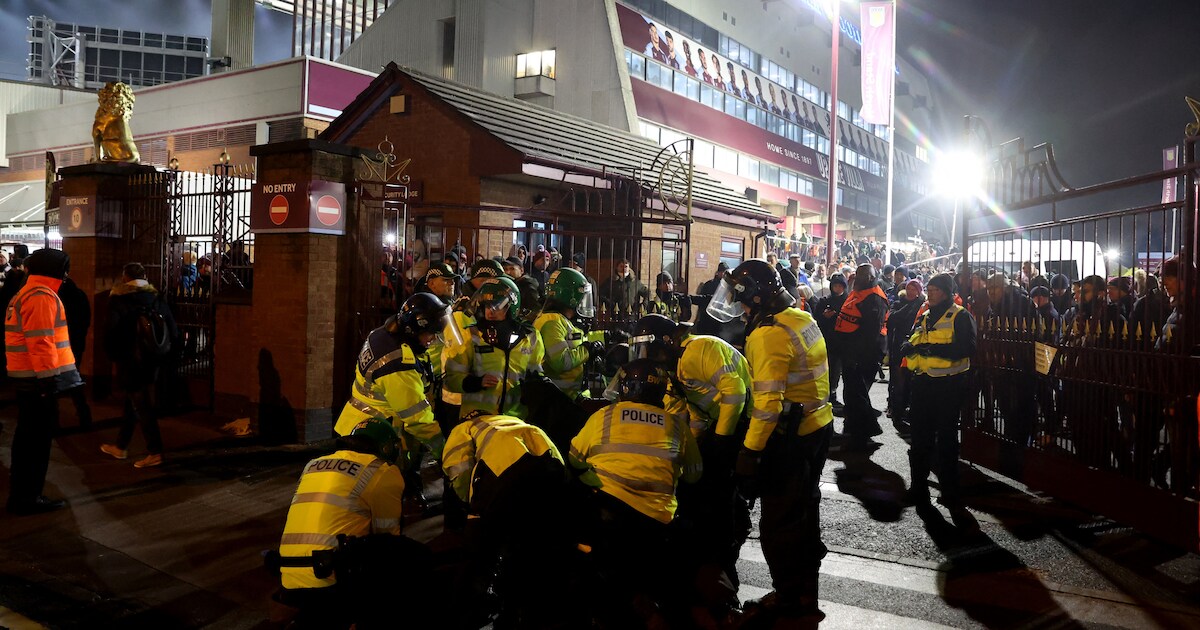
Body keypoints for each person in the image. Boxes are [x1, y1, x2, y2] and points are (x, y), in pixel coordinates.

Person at [705, 259, 834, 623]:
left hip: (791, 439)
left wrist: (750, 450)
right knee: (805, 516)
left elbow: (767, 404)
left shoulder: (768, 334)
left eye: (742, 299)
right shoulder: (799, 318)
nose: (740, 306)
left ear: (758, 298)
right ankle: (806, 592)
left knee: (779, 523)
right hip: (817, 425)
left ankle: (790, 598)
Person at [630, 314, 751, 621]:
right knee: (700, 491)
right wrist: (684, 448)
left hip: (741, 422)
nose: (644, 356)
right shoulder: (674, 366)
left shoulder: (700, 350)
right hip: (718, 424)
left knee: (720, 496)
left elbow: (735, 393)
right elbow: (684, 411)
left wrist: (721, 440)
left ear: (665, 342)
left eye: (647, 348)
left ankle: (724, 571)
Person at [570, 359, 702, 626]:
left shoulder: (604, 416)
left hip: (608, 517)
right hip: (658, 522)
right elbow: (694, 474)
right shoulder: (677, 425)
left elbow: (574, 460)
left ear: (627, 387)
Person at [275, 418, 425, 629]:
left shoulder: (313, 464)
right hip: (331, 578)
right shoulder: (383, 471)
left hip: (289, 574)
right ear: (386, 446)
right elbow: (388, 536)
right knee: (404, 557)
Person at [442, 412, 572, 628]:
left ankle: (470, 611)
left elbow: (459, 470)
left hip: (505, 469)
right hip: (551, 464)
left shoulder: (462, 429)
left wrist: (471, 507)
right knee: (540, 542)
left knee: (480, 550)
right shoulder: (515, 422)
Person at [333, 293, 454, 468]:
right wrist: (446, 453)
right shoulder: (397, 365)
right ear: (413, 330)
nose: (433, 339)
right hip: (376, 438)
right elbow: (418, 420)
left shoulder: (384, 334)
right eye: (430, 334)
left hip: (357, 424)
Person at [4, 249, 81, 514]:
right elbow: (41, 342)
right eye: (64, 268)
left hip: (28, 378)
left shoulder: (27, 292)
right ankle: (27, 497)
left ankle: (22, 495)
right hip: (38, 381)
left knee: (27, 439)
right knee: (35, 443)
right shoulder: (41, 296)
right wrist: (48, 383)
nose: (67, 274)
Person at [900, 273, 977, 530]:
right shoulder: (925, 315)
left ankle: (951, 493)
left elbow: (967, 349)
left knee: (946, 441)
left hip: (949, 387)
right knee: (919, 439)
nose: (929, 293)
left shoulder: (960, 316)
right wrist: (908, 345)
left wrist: (933, 351)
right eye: (929, 289)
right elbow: (916, 338)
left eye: (934, 289)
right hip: (923, 385)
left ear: (945, 292)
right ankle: (918, 488)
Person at [99, 263, 178, 469]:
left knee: (141, 403)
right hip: (153, 358)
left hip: (129, 359)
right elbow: (172, 329)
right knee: (133, 399)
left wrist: (112, 355)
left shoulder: (118, 299)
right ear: (144, 277)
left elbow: (110, 332)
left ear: (125, 277)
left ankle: (155, 451)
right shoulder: (156, 298)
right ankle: (121, 446)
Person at [444, 277, 546, 419]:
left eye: (497, 306)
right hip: (477, 419)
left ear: (511, 307)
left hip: (516, 420)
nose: (490, 312)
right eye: (487, 306)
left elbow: (537, 374)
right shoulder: (472, 336)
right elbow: (450, 379)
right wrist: (475, 383)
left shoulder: (530, 337)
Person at [534, 268, 608, 400]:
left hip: (571, 397)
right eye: (582, 296)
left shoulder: (560, 320)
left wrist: (605, 337)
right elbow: (561, 362)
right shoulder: (552, 323)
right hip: (559, 399)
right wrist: (588, 350)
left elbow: (578, 339)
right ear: (570, 296)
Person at [834, 264, 888, 444]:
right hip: (851, 350)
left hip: (864, 354)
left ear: (871, 278)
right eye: (857, 274)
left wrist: (857, 356)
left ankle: (865, 429)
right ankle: (853, 425)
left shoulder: (875, 299)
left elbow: (870, 334)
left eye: (862, 276)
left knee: (857, 391)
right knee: (851, 390)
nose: (857, 278)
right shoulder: (859, 291)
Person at [886, 279, 925, 425]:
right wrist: (910, 305)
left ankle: (907, 409)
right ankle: (896, 409)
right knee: (898, 379)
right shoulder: (898, 303)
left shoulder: (922, 306)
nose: (910, 292)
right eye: (909, 289)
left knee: (911, 380)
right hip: (898, 345)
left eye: (914, 289)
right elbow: (892, 319)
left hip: (913, 345)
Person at [57, 272, 93, 430]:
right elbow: (87, 318)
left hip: (59, 346)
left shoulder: (56, 298)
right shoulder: (80, 294)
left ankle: (54, 421)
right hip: (76, 344)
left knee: (53, 383)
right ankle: (84, 414)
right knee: (74, 379)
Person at [815, 273, 848, 414]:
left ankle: (833, 393)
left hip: (842, 341)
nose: (838, 288)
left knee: (837, 370)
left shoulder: (848, 302)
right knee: (826, 369)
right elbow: (815, 320)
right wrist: (824, 316)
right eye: (835, 285)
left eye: (840, 285)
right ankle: (825, 394)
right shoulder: (823, 301)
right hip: (826, 339)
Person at [502, 257, 541, 322]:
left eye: (512, 269)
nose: (508, 272)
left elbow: (535, 310)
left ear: (521, 270)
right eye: (505, 269)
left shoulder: (528, 286)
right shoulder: (508, 285)